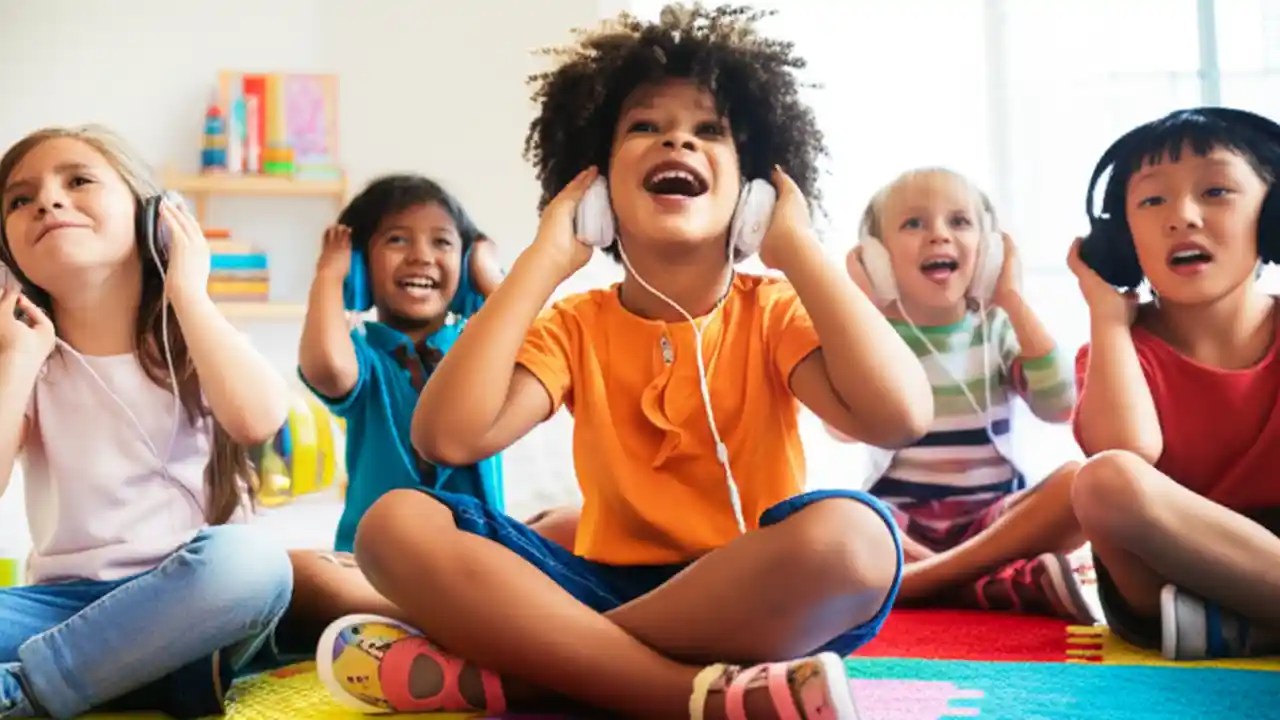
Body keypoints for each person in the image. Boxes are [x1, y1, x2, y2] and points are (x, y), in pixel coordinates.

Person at [316, 5, 936, 718]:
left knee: (857, 540)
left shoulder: (774, 312)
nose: (677, 137)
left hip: (750, 597)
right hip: (595, 583)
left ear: (754, 197)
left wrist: (795, 249)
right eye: (645, 126)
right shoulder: (576, 325)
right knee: (393, 524)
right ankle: (681, 695)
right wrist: (545, 259)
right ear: (598, 194)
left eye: (709, 131)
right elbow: (446, 437)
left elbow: (901, 415)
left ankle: (541, 672)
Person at [0, 125, 293, 718]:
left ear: (154, 217)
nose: (48, 201)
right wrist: (20, 359)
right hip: (66, 608)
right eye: (19, 200)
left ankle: (27, 690)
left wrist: (189, 290)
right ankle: (125, 672)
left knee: (253, 565)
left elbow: (259, 420)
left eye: (77, 181)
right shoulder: (26, 358)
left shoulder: (192, 336)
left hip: (189, 595)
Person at [1070, 106, 1280, 660]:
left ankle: (1255, 626)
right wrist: (1108, 318)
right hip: (1168, 586)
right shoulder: (1116, 351)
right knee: (1103, 480)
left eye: (1215, 191)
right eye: (1152, 200)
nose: (1182, 216)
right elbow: (1127, 451)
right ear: (1122, 241)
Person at [842, 167, 1091, 623]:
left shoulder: (997, 328)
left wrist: (1012, 300)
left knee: (1079, 485)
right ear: (878, 259)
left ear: (989, 251)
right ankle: (987, 582)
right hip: (900, 523)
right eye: (913, 223)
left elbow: (1059, 406)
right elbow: (839, 428)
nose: (938, 235)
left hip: (995, 521)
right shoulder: (871, 336)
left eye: (958, 222)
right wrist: (858, 314)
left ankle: (919, 583)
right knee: (839, 519)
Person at [297, 174, 505, 553]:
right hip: (378, 565)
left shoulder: (482, 351)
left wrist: (490, 278)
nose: (421, 256)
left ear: (466, 267)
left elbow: (536, 346)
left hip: (479, 562)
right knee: (306, 573)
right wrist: (329, 277)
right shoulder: (364, 359)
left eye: (441, 242)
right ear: (360, 268)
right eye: (397, 239)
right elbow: (327, 367)